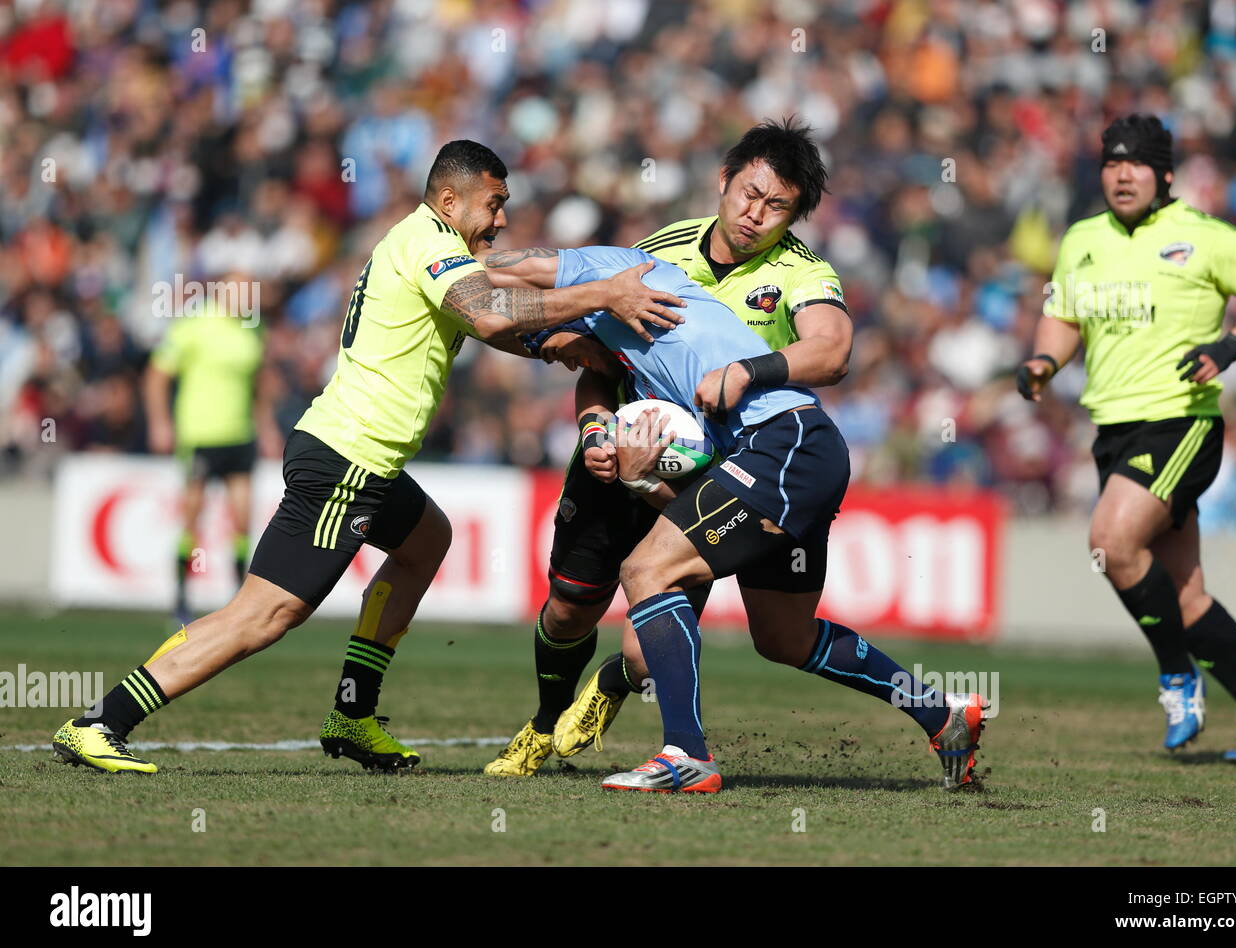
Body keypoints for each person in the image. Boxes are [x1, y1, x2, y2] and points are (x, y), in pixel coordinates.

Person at [50, 140, 683, 774]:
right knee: (267, 612)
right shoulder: (432, 242)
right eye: (494, 205)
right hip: (347, 457)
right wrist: (603, 293)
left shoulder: (427, 245)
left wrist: (556, 348)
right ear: (449, 200)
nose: (502, 221)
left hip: (362, 459)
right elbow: (489, 315)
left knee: (426, 540)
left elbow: (486, 325)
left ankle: (353, 713)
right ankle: (102, 722)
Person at [485, 244, 988, 792]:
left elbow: (505, 274)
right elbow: (687, 504)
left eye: (552, 346)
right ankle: (942, 715)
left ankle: (687, 754)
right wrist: (636, 473)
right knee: (784, 637)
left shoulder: (616, 272)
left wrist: (448, 260)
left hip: (786, 445)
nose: (564, 356)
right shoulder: (641, 367)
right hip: (788, 457)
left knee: (646, 572)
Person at [483, 118, 854, 777]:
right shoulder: (658, 251)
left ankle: (633, 703)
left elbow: (830, 351)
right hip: (620, 442)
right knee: (568, 608)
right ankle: (542, 725)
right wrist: (597, 430)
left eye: (777, 207)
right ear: (724, 180)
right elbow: (602, 356)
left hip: (707, 466)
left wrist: (746, 373)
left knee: (642, 653)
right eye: (749, 193)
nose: (756, 214)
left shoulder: (802, 273)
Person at [1017, 114, 1236, 764]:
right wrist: (1043, 363)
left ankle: (1176, 675)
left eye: (1136, 163)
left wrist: (1228, 347)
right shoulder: (1083, 238)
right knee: (1184, 595)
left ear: (1165, 174)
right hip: (1113, 428)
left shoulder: (1203, 236)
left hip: (1180, 422)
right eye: (1112, 162)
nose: (1122, 173)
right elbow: (1061, 313)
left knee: (1111, 543)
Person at [143, 286, 278, 621]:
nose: (249, 298)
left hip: (240, 435)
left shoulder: (253, 329)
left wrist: (266, 427)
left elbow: (258, 385)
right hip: (200, 436)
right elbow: (156, 376)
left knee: (243, 519)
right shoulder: (192, 326)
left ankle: (238, 603)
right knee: (193, 517)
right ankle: (181, 600)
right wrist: (161, 423)